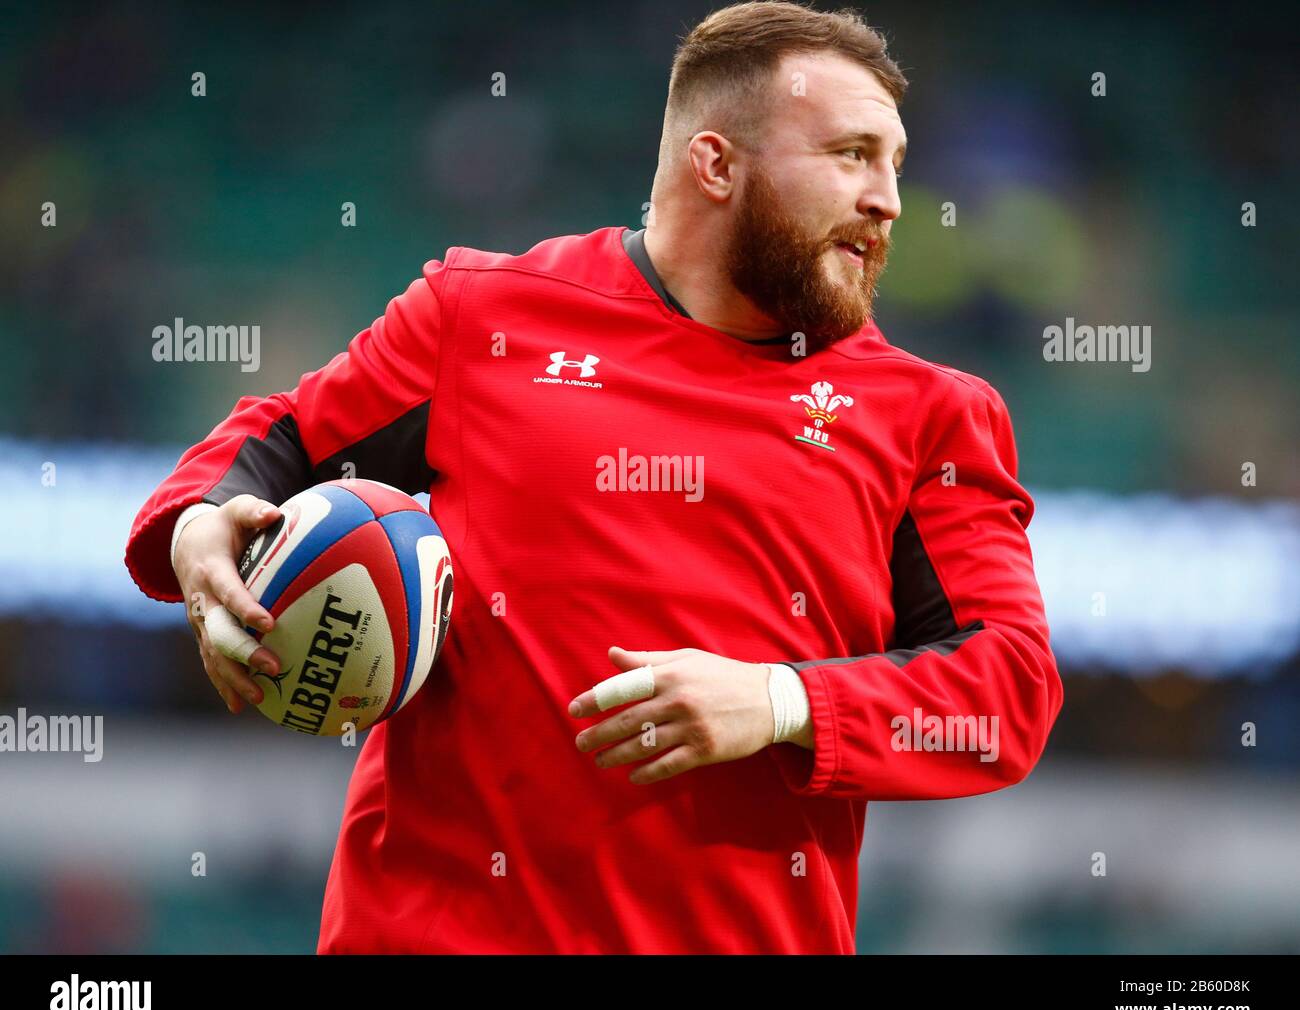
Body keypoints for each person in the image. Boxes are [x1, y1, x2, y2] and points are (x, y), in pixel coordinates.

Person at [125, 1, 1063, 954]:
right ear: (716, 165)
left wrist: (779, 703)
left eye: (895, 162)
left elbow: (1005, 694)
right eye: (852, 155)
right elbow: (276, 440)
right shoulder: (480, 319)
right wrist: (202, 523)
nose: (888, 199)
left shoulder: (928, 415)